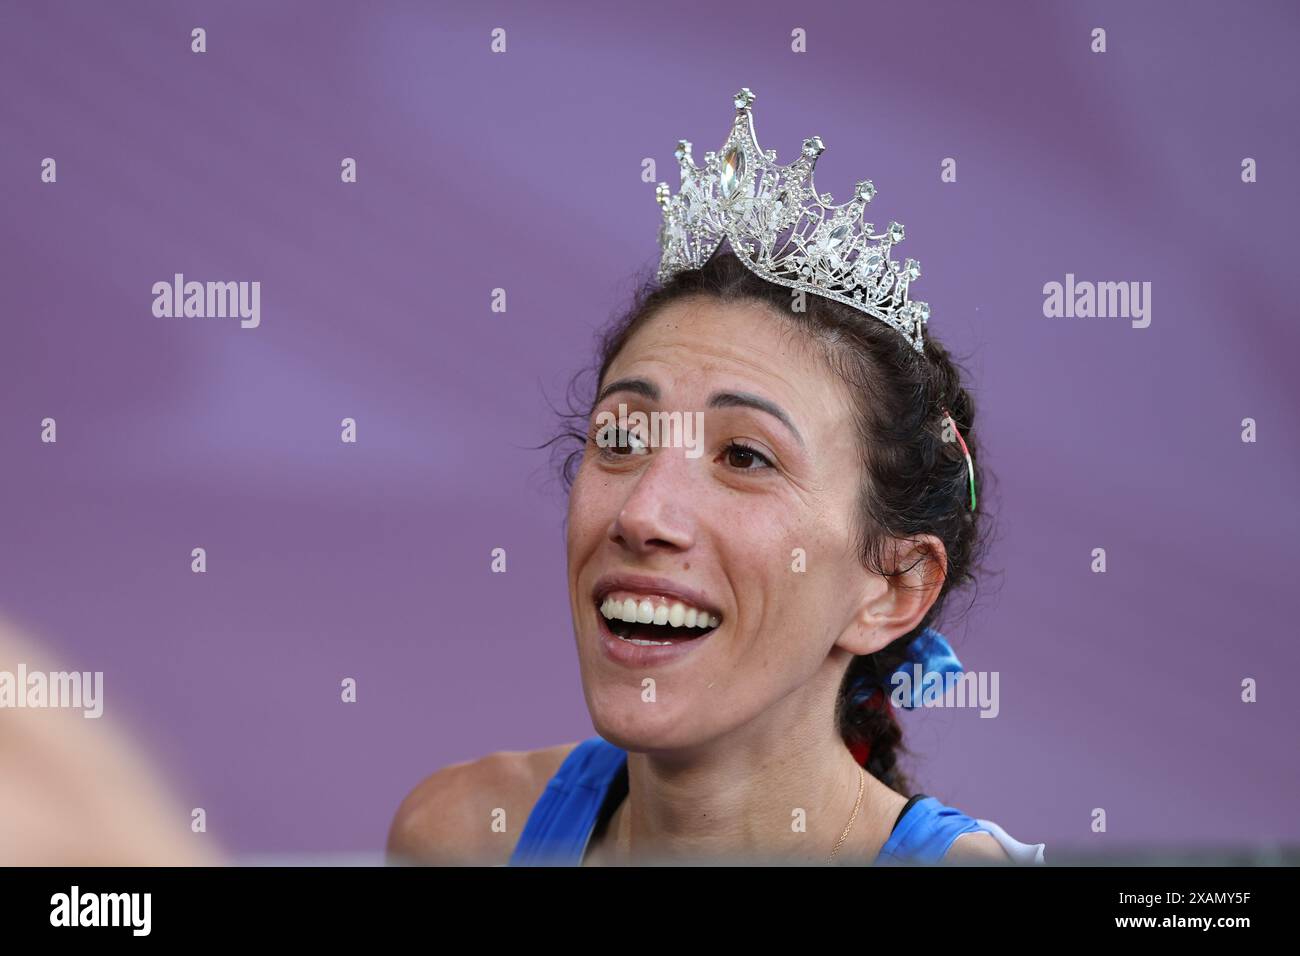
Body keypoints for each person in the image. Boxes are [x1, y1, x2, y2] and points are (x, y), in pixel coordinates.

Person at [389, 88, 1045, 866]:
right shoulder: (459, 837)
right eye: (623, 439)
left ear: (894, 586)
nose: (643, 513)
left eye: (744, 456)